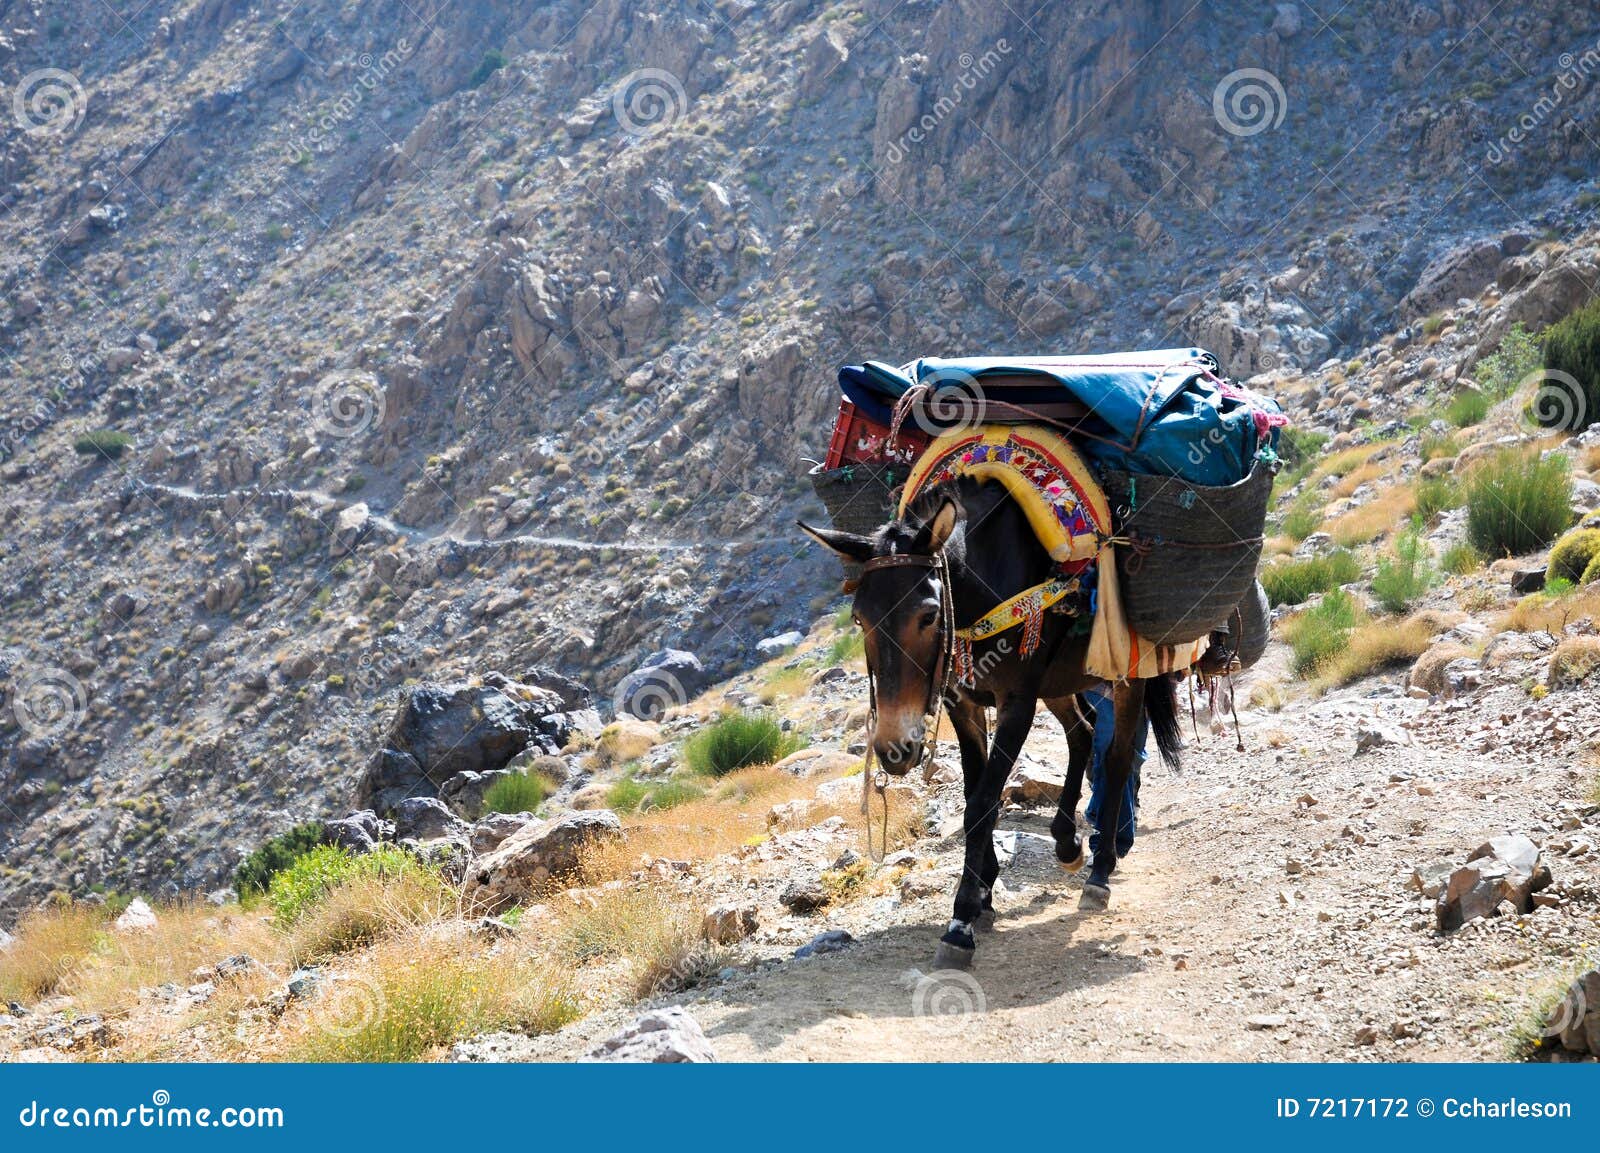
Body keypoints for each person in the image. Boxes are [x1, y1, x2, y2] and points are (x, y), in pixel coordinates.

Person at [1080, 682, 1145, 859]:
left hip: (1139, 686)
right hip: (1092, 686)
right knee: (1103, 757)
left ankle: (1112, 837)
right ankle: (1108, 837)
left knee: (1126, 759)